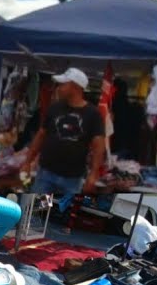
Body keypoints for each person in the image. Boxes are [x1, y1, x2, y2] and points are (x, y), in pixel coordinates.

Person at [23, 67, 105, 196]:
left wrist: (94, 174)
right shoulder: (55, 108)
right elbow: (41, 135)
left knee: (62, 213)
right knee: (40, 211)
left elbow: (98, 146)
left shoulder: (92, 114)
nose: (59, 88)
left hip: (72, 180)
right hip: (46, 175)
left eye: (63, 84)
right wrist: (27, 162)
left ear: (74, 87)